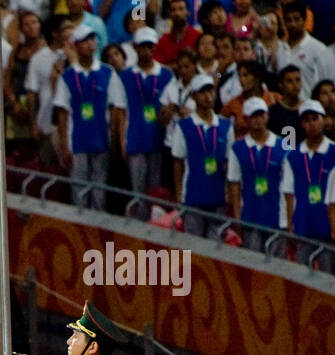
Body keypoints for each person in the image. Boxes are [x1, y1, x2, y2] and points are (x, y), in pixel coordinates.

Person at [54, 25, 126, 211]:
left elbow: (116, 108)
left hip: (101, 140)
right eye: (85, 41)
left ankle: (98, 235)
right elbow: (62, 112)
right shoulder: (68, 76)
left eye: (92, 40)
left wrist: (115, 141)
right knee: (79, 192)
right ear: (76, 45)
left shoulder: (107, 72)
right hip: (76, 143)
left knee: (99, 192)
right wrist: (64, 145)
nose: (90, 44)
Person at [171, 73, 233, 239]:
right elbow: (178, 162)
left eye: (210, 91)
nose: (208, 97)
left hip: (218, 195)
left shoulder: (225, 125)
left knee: (216, 246)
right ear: (193, 95)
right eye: (203, 92)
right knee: (193, 245)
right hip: (193, 194)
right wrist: (178, 195)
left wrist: (228, 191)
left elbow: (229, 163)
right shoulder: (184, 126)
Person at [281, 99, 335, 271]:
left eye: (315, 118)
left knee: (329, 276)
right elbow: (288, 193)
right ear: (302, 124)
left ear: (324, 120)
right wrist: (290, 224)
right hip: (303, 225)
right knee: (301, 276)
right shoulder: (293, 156)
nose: (312, 124)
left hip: (328, 227)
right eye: (307, 120)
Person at [227, 96, 287, 254]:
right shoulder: (237, 148)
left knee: (277, 267)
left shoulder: (283, 146)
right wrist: (237, 217)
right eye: (253, 116)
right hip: (250, 216)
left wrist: (289, 218)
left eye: (261, 114)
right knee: (253, 266)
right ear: (246, 119)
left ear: (267, 115)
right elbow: (234, 184)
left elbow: (289, 186)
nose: (258, 120)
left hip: (277, 217)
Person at [120, 26, 172, 198]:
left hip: (158, 139)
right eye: (142, 46)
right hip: (135, 139)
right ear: (135, 47)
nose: (147, 51)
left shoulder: (166, 74)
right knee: (138, 190)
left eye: (150, 46)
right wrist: (122, 141)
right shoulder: (125, 75)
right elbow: (120, 111)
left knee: (155, 190)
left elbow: (172, 105)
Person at [277, 1, 335, 102]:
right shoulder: (279, 49)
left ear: (304, 20)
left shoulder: (319, 49)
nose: (293, 24)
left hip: (311, 109)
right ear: (284, 22)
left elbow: (328, 85)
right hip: (287, 109)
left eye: (297, 19)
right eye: (288, 20)